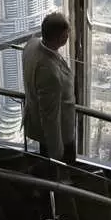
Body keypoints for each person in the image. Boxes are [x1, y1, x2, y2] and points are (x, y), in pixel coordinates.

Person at [22, 12, 75, 164]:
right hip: (60, 134)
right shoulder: (50, 73)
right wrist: (57, 153)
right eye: (66, 34)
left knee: (45, 162)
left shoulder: (31, 45)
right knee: (58, 172)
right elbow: (50, 118)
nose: (68, 36)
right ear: (61, 38)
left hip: (35, 119)